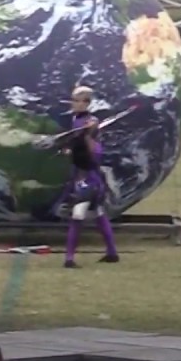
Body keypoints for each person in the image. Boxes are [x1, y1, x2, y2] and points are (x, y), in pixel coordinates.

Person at [59, 86, 119, 268]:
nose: (74, 104)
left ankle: (69, 259)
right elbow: (74, 147)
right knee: (100, 215)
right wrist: (68, 148)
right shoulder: (76, 120)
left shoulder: (91, 123)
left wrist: (87, 136)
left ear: (86, 102)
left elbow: (95, 153)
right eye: (73, 100)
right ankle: (112, 253)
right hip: (80, 176)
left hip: (89, 179)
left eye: (78, 100)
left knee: (78, 217)